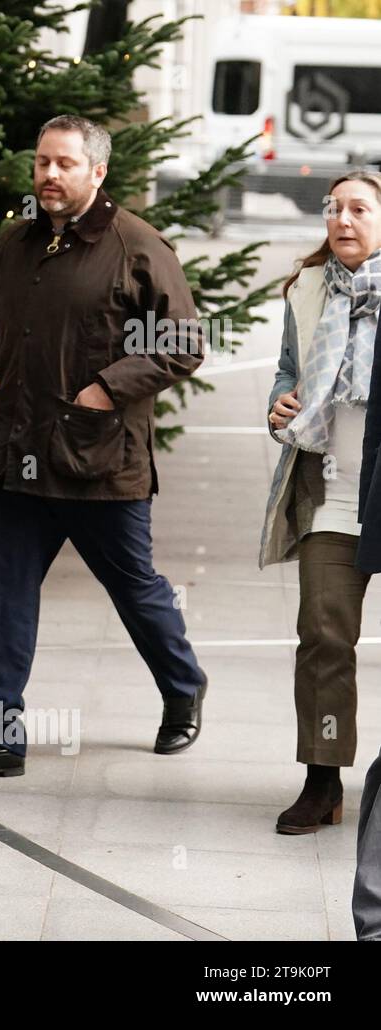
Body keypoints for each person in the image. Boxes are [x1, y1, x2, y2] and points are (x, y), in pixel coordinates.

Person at [0, 115, 208, 783]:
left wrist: (105, 390)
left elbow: (182, 344)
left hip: (99, 462)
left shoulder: (138, 247)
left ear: (97, 172)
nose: (50, 176)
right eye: (42, 163)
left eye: (64, 164)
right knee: (5, 597)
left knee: (135, 588)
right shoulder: (16, 243)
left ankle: (182, 687)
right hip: (18, 456)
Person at [262, 171, 381, 837]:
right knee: (324, 640)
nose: (343, 219)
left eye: (360, 209)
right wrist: (281, 400)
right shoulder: (308, 290)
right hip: (333, 494)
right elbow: (288, 367)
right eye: (335, 208)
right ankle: (323, 779)